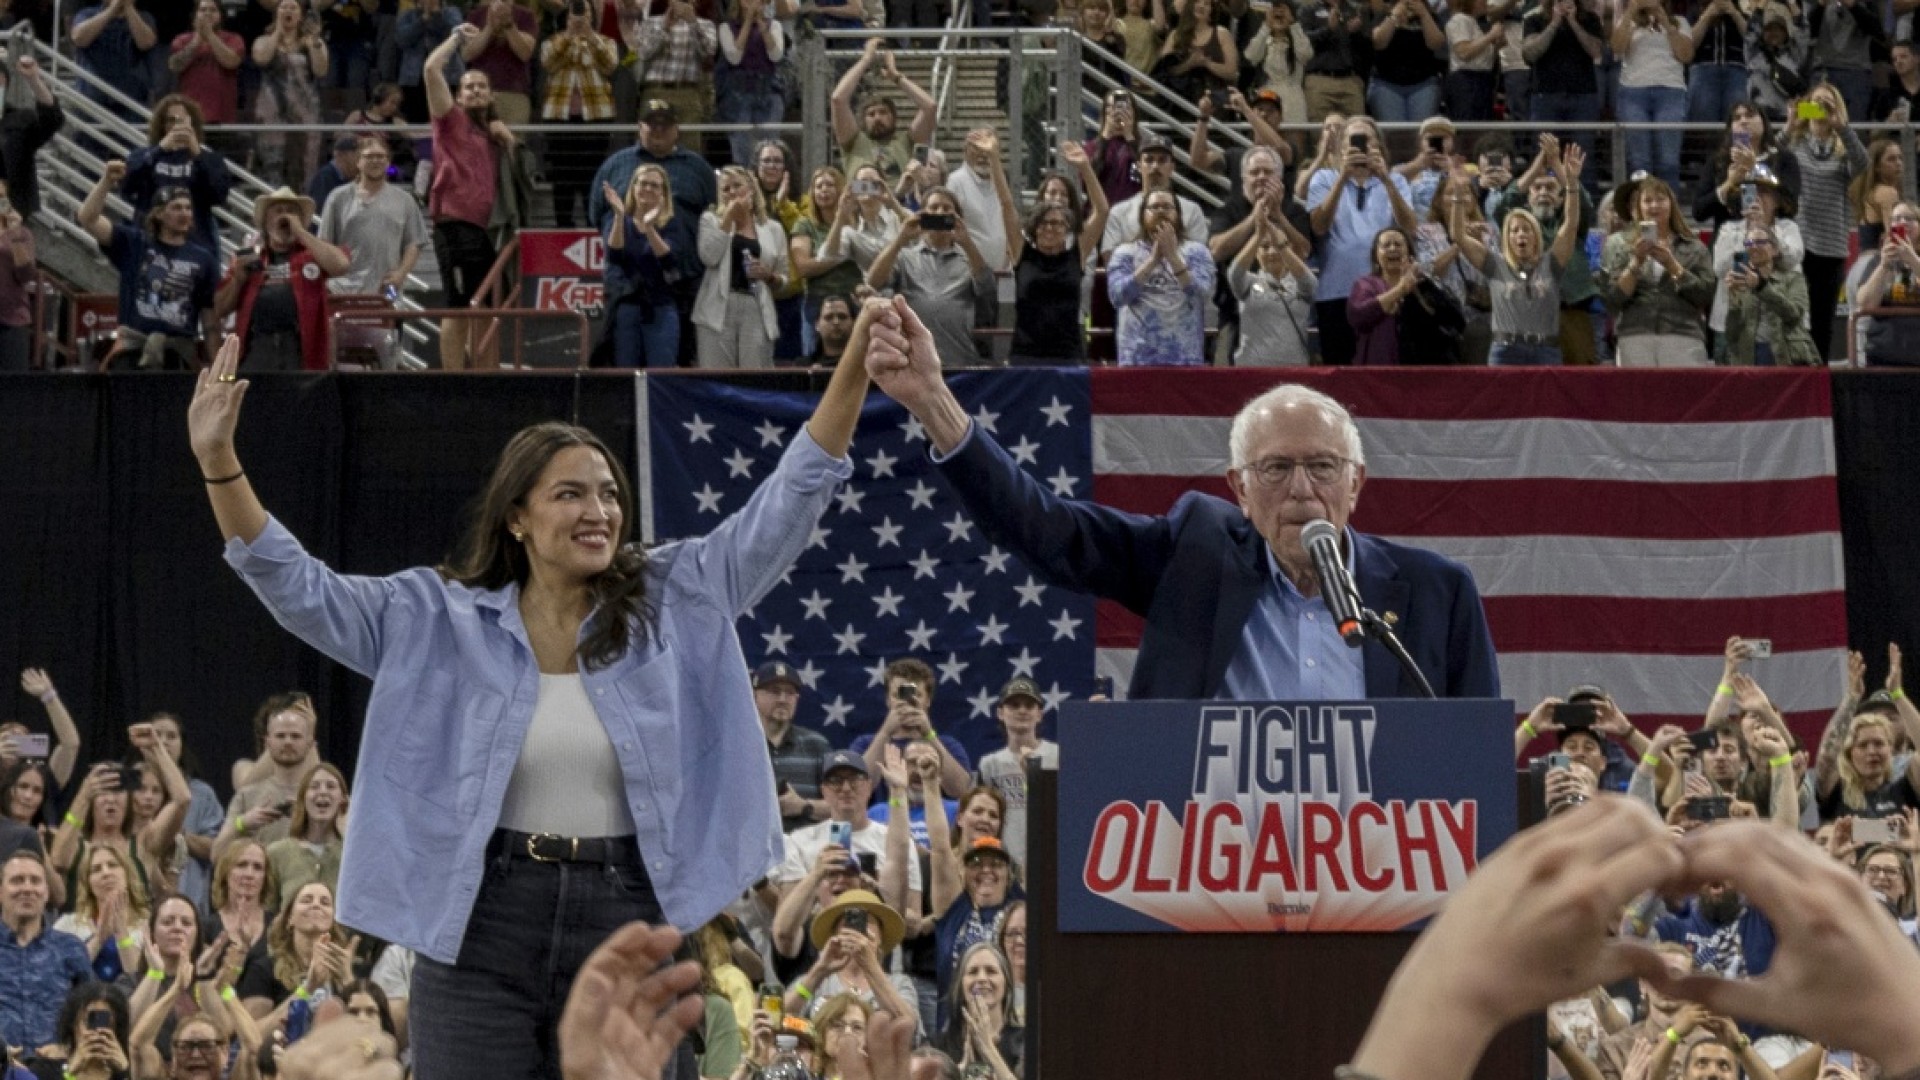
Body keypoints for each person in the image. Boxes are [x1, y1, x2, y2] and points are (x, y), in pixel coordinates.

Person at [190, 267, 875, 1076]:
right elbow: (296, 587)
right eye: (571, 495)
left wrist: (856, 365)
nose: (600, 512)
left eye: (610, 495)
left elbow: (787, 506)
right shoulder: (434, 619)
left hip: (629, 914)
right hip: (481, 921)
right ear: (517, 516)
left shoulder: (675, 596)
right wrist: (218, 460)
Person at [862, 328, 1499, 699]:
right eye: (1276, 469)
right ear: (1240, 489)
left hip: (1384, 888)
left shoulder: (1436, 594)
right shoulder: (1197, 555)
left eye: (1323, 468)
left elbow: (1477, 767)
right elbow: (1048, 530)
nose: (1302, 489)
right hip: (1214, 880)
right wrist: (933, 402)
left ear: (1355, 484)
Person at [589, 101, 719, 368]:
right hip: (624, 286)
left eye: (665, 125)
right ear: (640, 127)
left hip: (679, 283)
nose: (658, 130)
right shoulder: (616, 164)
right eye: (652, 125)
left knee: (676, 362)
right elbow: (595, 214)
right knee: (621, 364)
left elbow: (714, 213)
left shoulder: (697, 167)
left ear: (677, 130)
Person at [1455, 144, 1586, 365]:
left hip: (1546, 350)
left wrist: (1571, 184)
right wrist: (1458, 195)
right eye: (1514, 230)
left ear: (1536, 236)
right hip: (1504, 353)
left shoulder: (1552, 263)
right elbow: (1458, 236)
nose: (1520, 235)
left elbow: (1571, 225)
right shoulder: (1495, 265)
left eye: (1526, 229)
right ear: (1507, 237)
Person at [425, 24, 508, 371]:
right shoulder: (450, 120)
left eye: (481, 87)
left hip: (489, 229)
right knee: (459, 306)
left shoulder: (495, 133)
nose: (474, 91)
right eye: (468, 86)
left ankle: (487, 377)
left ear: (490, 96)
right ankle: (453, 377)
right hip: (455, 224)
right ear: (458, 96)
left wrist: (507, 137)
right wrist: (457, 37)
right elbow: (430, 69)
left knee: (488, 308)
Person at [1307, 117, 1417, 366]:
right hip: (1336, 292)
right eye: (1353, 140)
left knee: (1385, 365)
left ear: (1378, 145)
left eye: (1366, 140)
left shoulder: (1396, 181)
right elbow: (1319, 226)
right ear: (1341, 148)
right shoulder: (1324, 178)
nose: (1361, 147)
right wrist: (1342, 177)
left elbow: (1410, 226)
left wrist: (1386, 179)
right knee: (1340, 370)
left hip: (1386, 292)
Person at [212, 187, 351, 373]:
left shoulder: (312, 255)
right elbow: (218, 308)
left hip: (299, 350)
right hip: (257, 348)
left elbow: (341, 265)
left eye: (291, 211)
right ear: (266, 221)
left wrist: (301, 232)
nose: (285, 217)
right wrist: (238, 280)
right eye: (278, 211)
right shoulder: (249, 258)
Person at [1781, 83, 1864, 361]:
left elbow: (1862, 165)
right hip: (1798, 244)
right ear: (1807, 106)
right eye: (1816, 102)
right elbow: (1768, 160)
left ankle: (1818, 383)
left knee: (1822, 323)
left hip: (1831, 247)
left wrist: (1842, 127)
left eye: (1828, 104)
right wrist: (1789, 125)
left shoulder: (1843, 148)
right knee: (1794, 319)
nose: (1821, 109)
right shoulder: (1795, 141)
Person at [1005, 144, 1108, 366]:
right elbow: (1006, 205)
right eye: (1044, 223)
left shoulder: (1077, 253)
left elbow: (1102, 210)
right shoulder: (1023, 253)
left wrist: (1085, 167)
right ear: (1034, 227)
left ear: (1068, 228)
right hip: (1026, 355)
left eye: (1058, 224)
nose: (1050, 228)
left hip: (1068, 356)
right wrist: (995, 160)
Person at [866, 191, 993, 366]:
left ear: (958, 218)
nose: (940, 213)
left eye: (947, 208)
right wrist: (900, 240)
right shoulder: (904, 257)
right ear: (922, 215)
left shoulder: (970, 259)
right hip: (912, 360)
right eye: (933, 208)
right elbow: (873, 282)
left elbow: (988, 290)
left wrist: (967, 242)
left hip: (958, 357)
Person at [1600, 175, 1713, 366]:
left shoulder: (1694, 247)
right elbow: (1613, 299)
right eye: (1647, 200)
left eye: (1660, 199)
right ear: (1638, 207)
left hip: (1683, 334)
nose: (1654, 206)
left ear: (1672, 204)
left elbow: (1705, 295)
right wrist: (1635, 263)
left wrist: (1673, 266)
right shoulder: (1618, 245)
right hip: (1634, 335)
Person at [1106, 190, 1215, 366]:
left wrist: (1173, 258)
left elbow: (1202, 293)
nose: (1161, 211)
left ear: (1178, 215)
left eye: (1167, 207)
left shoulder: (1197, 252)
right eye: (1154, 207)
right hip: (1136, 359)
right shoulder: (1125, 252)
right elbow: (1117, 297)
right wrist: (1152, 261)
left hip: (1185, 359)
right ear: (1142, 215)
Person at [694, 165, 788, 369]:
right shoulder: (710, 220)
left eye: (737, 185)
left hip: (756, 306)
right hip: (718, 308)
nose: (732, 192)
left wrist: (769, 276)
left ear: (752, 189)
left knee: (755, 378)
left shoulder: (773, 229)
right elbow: (709, 257)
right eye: (725, 189)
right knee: (718, 381)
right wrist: (728, 218)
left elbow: (784, 278)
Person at [601, 164, 693, 369]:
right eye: (643, 183)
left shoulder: (673, 222)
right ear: (633, 187)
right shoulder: (619, 220)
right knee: (626, 372)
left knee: (661, 375)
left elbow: (669, 260)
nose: (648, 189)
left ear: (663, 193)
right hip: (627, 307)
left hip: (660, 307)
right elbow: (614, 255)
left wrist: (650, 228)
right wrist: (618, 215)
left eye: (654, 185)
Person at [0, 851, 92, 1051]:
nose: (27, 888)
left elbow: (95, 1010)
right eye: (17, 881)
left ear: (46, 892)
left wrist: (69, 1049)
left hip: (55, 1067)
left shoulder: (71, 948)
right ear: (1, 892)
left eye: (35, 881)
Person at [121, 96, 233, 260]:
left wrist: (197, 154)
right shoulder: (143, 155)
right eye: (171, 120)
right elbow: (127, 186)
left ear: (193, 125)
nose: (177, 126)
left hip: (195, 245)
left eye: (182, 121)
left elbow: (219, 194)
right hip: (150, 244)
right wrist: (159, 149)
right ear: (162, 125)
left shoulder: (210, 159)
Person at [540, 1, 619, 230]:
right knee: (561, 177)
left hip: (596, 118)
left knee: (592, 175)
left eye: (584, 14)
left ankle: (593, 223)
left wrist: (590, 36)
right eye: (575, 14)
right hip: (559, 117)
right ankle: (563, 225)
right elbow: (548, 62)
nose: (579, 18)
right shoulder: (553, 41)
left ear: (592, 18)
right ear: (566, 18)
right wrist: (569, 36)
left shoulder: (605, 42)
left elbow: (610, 64)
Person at [318, 135, 427, 298]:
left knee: (391, 322)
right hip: (343, 289)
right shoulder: (338, 197)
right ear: (358, 161)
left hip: (388, 288)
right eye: (369, 156)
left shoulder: (404, 200)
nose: (376, 161)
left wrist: (400, 274)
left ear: (388, 161)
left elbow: (414, 243)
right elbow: (325, 243)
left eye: (380, 156)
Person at [215, 694, 317, 858]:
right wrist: (243, 823)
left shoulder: (320, 792)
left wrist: (309, 731)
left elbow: (318, 779)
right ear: (267, 739)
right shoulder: (246, 788)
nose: (288, 741)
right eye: (281, 735)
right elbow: (216, 854)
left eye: (295, 735)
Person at [1611, 0, 1693, 192]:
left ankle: (1671, 212)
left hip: (1670, 92)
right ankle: (1640, 210)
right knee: (1639, 160)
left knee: (1668, 159)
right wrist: (1631, 11)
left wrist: (1666, 23)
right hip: (1633, 92)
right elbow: (1617, 48)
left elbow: (1686, 55)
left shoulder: (1680, 22)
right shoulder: (1628, 22)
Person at [831, 40, 937, 187]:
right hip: (863, 204)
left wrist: (896, 77)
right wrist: (866, 60)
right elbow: (838, 99)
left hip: (900, 205)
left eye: (883, 112)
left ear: (893, 118)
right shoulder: (853, 142)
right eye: (871, 114)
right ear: (863, 120)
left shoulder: (906, 142)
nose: (877, 118)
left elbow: (930, 107)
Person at [250, 0, 329, 188]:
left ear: (300, 15)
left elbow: (321, 70)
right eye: (283, 7)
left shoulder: (312, 42)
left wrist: (315, 43)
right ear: (276, 13)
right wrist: (278, 31)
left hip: (305, 114)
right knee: (273, 165)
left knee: (305, 169)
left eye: (293, 7)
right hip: (272, 113)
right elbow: (261, 58)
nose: (288, 11)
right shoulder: (264, 40)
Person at [1723, 221, 1819, 365]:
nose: (1753, 247)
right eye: (1748, 243)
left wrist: (1761, 287)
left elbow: (1794, 315)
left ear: (1774, 250)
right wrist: (1734, 302)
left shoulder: (1793, 279)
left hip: (1787, 356)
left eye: (1760, 242)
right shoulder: (1742, 283)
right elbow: (1731, 334)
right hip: (1750, 357)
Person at [52, 846, 150, 984]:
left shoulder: (148, 926)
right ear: (88, 883)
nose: (106, 873)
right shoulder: (68, 924)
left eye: (112, 865)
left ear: (127, 874)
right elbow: (57, 974)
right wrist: (99, 938)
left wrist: (121, 932)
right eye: (96, 869)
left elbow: (139, 981)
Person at [754, 661, 832, 832]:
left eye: (790, 693)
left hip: (807, 851)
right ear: (755, 696)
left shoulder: (816, 745)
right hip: (749, 851)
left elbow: (844, 809)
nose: (782, 699)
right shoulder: (739, 746)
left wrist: (804, 806)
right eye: (774, 692)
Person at [261, 764, 345, 911]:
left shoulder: (354, 856)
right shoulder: (277, 853)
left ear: (343, 800)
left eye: (331, 786)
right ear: (302, 799)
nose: (323, 792)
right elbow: (267, 914)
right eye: (314, 786)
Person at [931, 943, 1019, 1079]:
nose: (982, 978)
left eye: (991, 971)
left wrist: (988, 1049)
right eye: (973, 972)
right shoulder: (938, 1047)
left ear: (1006, 983)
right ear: (960, 985)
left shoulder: (1025, 1042)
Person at [716, 0, 786, 170]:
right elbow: (734, 57)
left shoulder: (774, 25)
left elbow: (776, 56)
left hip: (768, 90)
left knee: (769, 146)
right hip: (737, 92)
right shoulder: (726, 27)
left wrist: (763, 29)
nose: (754, 4)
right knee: (741, 148)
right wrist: (747, 22)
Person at [1851, 201, 1920, 367]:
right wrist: (1884, 266)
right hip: (1883, 353)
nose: (1902, 222)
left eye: (1909, 218)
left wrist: (1912, 259)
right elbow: (1865, 303)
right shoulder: (1877, 260)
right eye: (1896, 219)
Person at [22, 982, 133, 1080]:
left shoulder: (129, 1070)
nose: (98, 1032)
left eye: (106, 1024)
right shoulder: (45, 1069)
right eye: (89, 1022)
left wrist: (124, 1073)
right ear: (73, 1025)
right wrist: (70, 1074)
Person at [69, 0, 157, 113]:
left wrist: (129, 9)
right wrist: (111, 10)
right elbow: (79, 38)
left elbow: (146, 43)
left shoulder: (145, 17)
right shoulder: (87, 14)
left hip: (131, 101)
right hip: (91, 98)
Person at [1366, 0, 1445, 124]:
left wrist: (1424, 15)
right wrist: (1393, 17)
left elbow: (1436, 44)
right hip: (1386, 83)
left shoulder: (1431, 15)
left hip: (1424, 84)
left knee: (1420, 132)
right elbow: (1378, 42)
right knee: (1394, 134)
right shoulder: (1384, 14)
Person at [169, 2, 245, 129]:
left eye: (213, 10)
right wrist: (197, 41)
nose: (207, 13)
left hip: (223, 114)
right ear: (195, 15)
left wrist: (210, 35)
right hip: (189, 113)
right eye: (203, 10)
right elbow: (175, 65)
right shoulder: (182, 39)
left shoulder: (233, 39)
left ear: (220, 16)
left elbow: (231, 62)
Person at [461, 0, 537, 125]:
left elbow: (525, 53)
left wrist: (509, 25)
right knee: (479, 141)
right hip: (479, 93)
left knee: (513, 142)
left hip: (514, 94)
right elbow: (467, 54)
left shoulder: (526, 16)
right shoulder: (475, 16)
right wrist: (490, 27)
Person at [304, 134, 361, 209]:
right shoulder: (325, 177)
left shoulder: (350, 178)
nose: (359, 162)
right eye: (357, 157)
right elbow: (321, 209)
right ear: (341, 156)